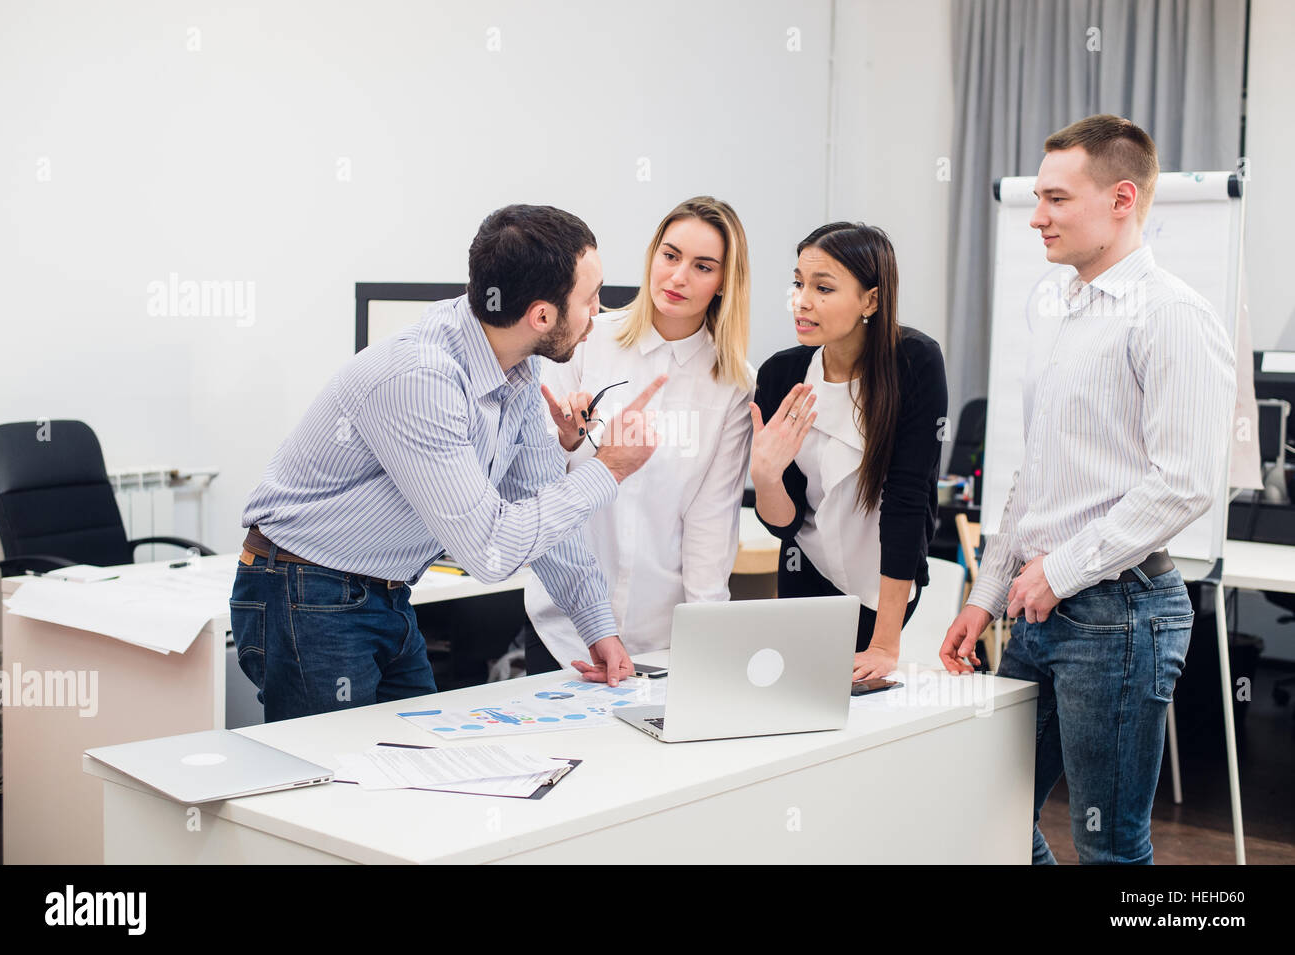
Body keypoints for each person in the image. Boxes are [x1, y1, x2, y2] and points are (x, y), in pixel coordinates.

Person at [232, 204, 666, 722]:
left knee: (417, 756)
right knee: (329, 781)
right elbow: (490, 550)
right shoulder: (422, 377)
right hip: (303, 590)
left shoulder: (516, 372)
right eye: (590, 299)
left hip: (382, 594)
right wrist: (609, 469)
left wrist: (598, 627)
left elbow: (538, 502)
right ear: (542, 316)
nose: (598, 313)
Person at [940, 115, 1236, 865]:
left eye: (1056, 199)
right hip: (1041, 605)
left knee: (1108, 844)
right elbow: (1036, 476)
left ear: (1121, 198)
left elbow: (1185, 484)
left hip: (1121, 614)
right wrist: (985, 592)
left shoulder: (1172, 317)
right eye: (1037, 198)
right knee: (986, 814)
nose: (1036, 216)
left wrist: (1059, 569)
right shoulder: (1060, 310)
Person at [523, 196, 755, 671]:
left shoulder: (733, 383)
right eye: (670, 256)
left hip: (662, 641)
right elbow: (533, 488)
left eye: (703, 266)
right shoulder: (584, 338)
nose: (678, 277)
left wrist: (705, 649)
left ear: (724, 284)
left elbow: (711, 523)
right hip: (564, 629)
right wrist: (567, 443)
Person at [750, 223, 948, 681]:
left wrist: (885, 642)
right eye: (797, 283)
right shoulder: (782, 374)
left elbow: (907, 502)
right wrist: (765, 476)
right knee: (802, 699)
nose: (801, 300)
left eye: (823, 288)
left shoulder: (914, 362)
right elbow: (786, 522)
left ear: (871, 301)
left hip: (886, 586)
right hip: (807, 573)